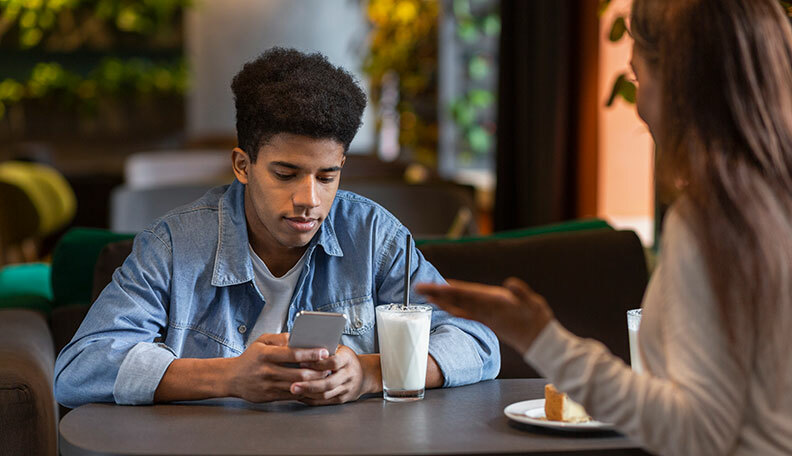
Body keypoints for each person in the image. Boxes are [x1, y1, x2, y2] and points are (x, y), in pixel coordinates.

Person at [417, 0, 792, 454]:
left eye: (639, 77)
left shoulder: (712, 220)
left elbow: (695, 433)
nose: (640, 108)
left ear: (680, 85)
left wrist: (542, 338)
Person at [54, 47, 500, 408]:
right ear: (243, 165)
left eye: (328, 177)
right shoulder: (173, 245)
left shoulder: (374, 236)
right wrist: (228, 376)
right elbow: (80, 368)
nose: (309, 199)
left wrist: (370, 372)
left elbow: (479, 342)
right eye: (286, 174)